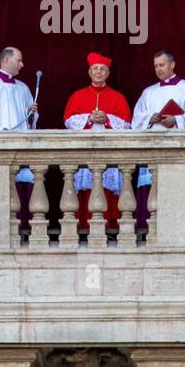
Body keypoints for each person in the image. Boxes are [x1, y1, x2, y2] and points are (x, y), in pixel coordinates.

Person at [64, 52, 131, 239]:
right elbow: (68, 120)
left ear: (108, 73)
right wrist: (88, 118)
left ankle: (110, 228)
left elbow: (127, 124)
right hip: (84, 150)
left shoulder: (118, 98)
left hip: (109, 150)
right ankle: (83, 228)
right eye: (95, 69)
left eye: (103, 69)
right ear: (89, 72)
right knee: (85, 189)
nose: (99, 72)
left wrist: (108, 118)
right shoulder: (78, 96)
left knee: (108, 190)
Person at [131, 50, 185, 130]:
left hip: (180, 140)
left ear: (172, 65)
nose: (158, 69)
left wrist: (175, 119)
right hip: (153, 140)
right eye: (156, 66)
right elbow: (136, 118)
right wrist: (150, 119)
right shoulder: (148, 92)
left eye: (161, 65)